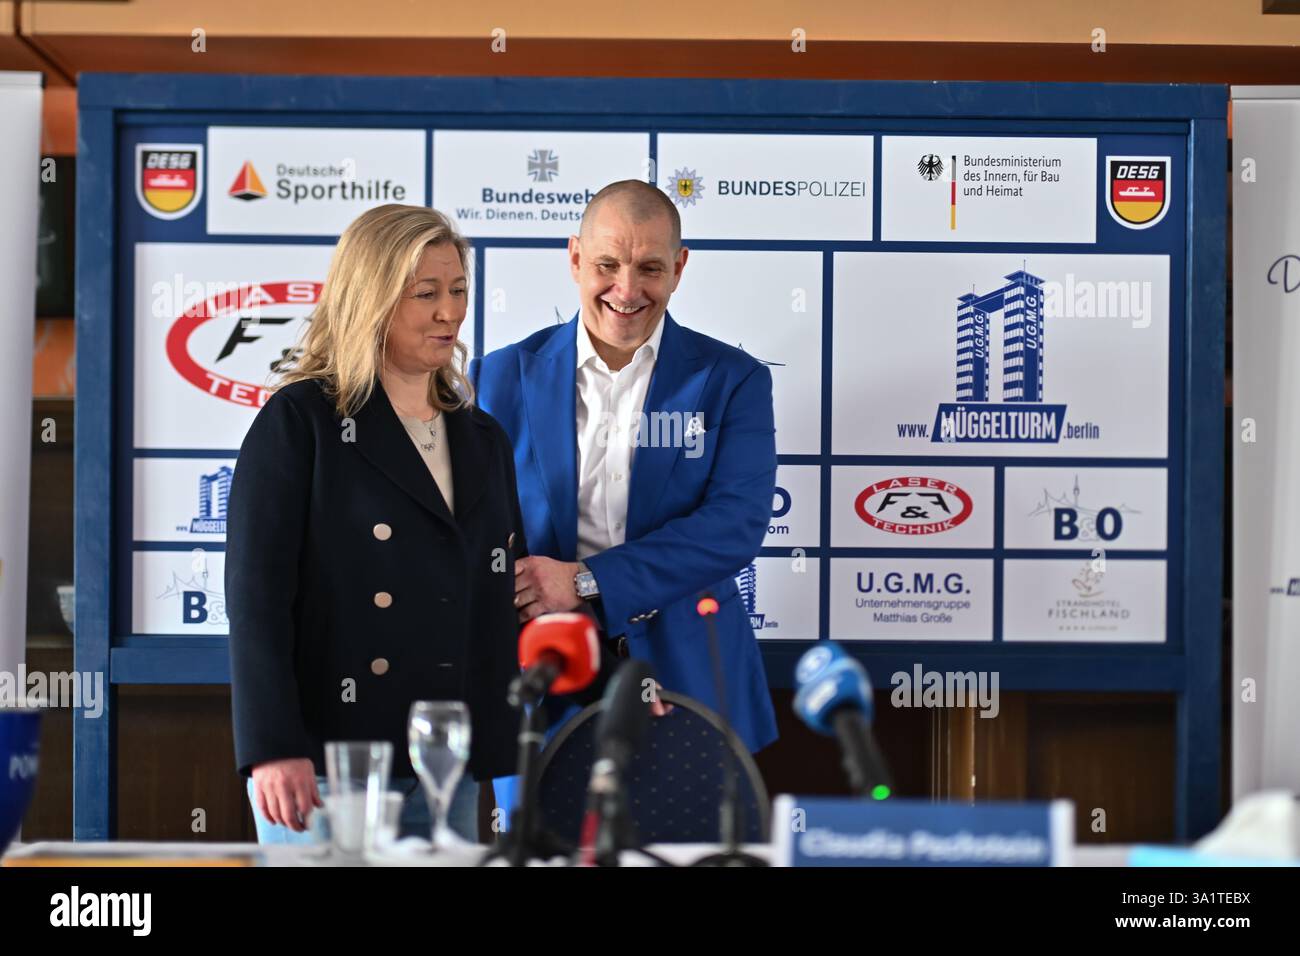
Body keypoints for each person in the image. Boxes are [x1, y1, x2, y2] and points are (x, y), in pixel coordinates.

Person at [226, 204, 527, 844]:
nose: (450, 311)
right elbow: (256, 600)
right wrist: (274, 746)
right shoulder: (300, 422)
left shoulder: (482, 438)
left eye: (458, 291)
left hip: (448, 765)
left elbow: (506, 596)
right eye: (427, 294)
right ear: (372, 298)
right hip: (328, 762)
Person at [471, 179, 778, 755]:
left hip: (692, 675)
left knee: (702, 849)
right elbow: (479, 530)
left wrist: (586, 581)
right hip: (544, 673)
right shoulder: (499, 377)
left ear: (680, 267)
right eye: (607, 264)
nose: (627, 289)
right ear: (575, 258)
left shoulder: (733, 379)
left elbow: (734, 526)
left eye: (651, 269)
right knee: (540, 847)